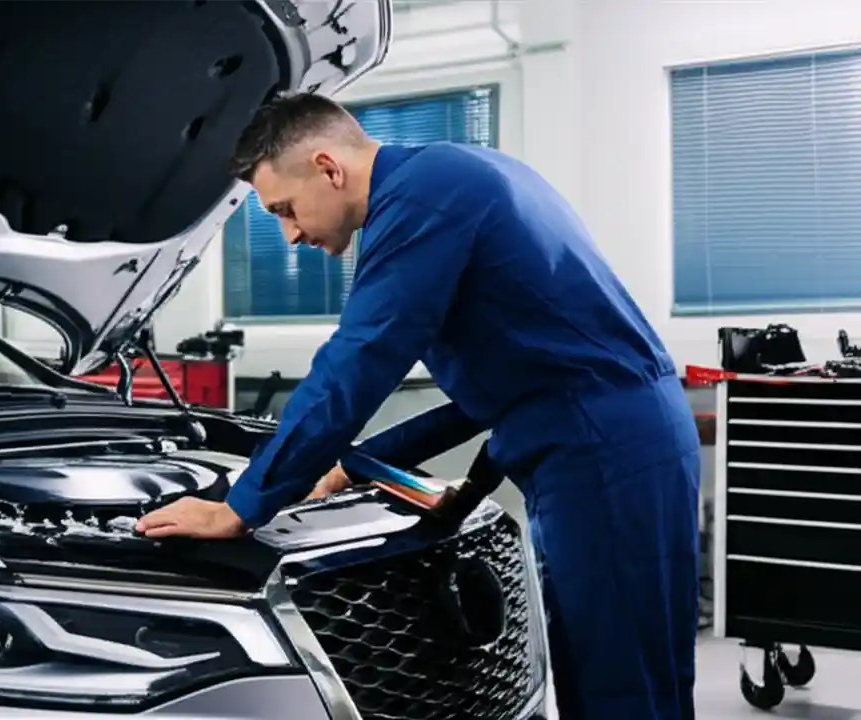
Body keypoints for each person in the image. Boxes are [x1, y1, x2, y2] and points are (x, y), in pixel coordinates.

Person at [135, 92, 700, 720]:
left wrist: (240, 508)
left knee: (614, 683)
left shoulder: (420, 202)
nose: (289, 236)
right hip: (628, 433)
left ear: (328, 168)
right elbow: (488, 394)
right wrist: (354, 466)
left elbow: (359, 360)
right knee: (649, 667)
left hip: (601, 451)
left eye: (284, 210)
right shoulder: (461, 171)